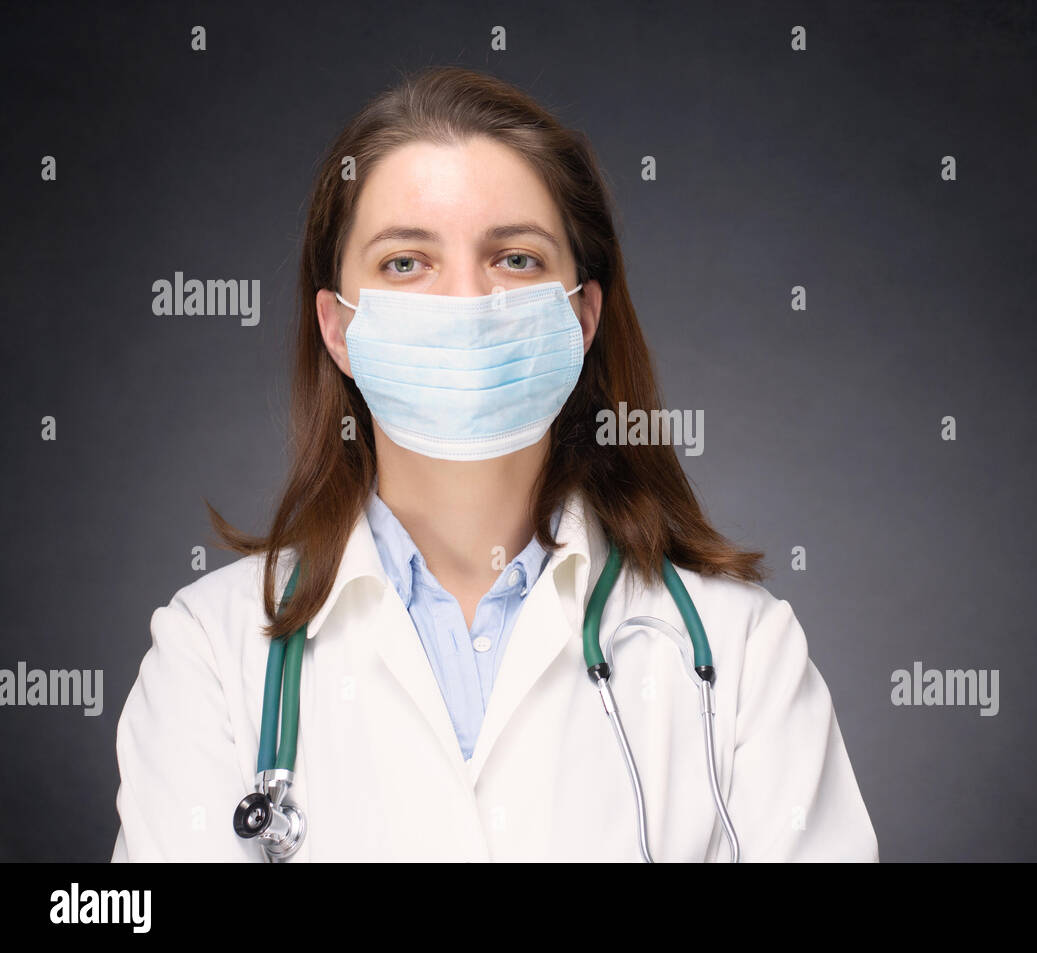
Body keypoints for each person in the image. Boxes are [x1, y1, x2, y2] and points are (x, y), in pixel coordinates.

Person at [110, 66, 879, 862]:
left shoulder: (740, 646)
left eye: (514, 259)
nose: (467, 304)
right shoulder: (211, 647)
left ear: (582, 315)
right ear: (338, 328)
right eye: (406, 262)